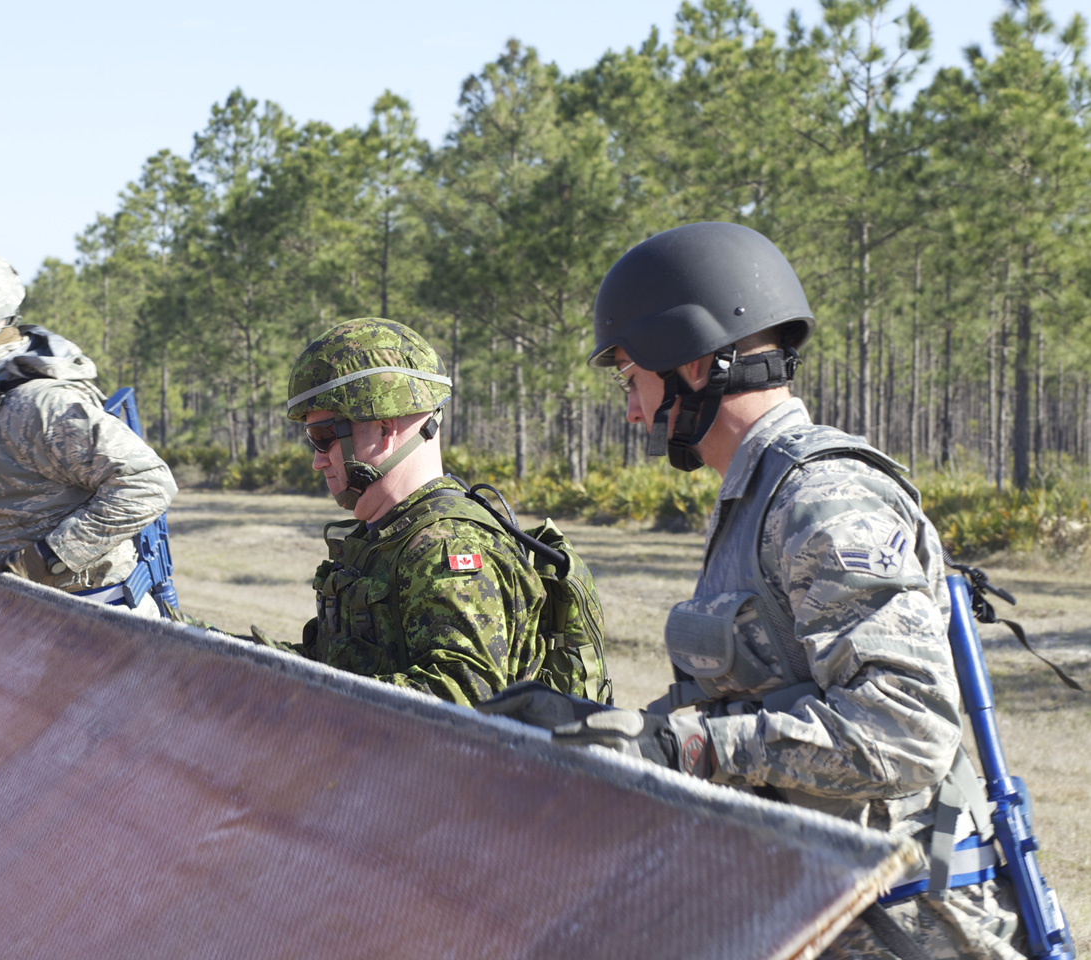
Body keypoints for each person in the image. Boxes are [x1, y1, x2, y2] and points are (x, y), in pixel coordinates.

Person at [482, 222, 1026, 960]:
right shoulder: (759, 493)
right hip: (819, 908)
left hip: (903, 928)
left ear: (697, 364)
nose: (633, 410)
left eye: (631, 378)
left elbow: (907, 731)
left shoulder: (823, 499)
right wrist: (606, 730)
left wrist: (692, 746)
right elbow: (762, 689)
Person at [261, 317, 587, 707]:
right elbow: (332, 665)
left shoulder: (450, 546)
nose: (318, 461)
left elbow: (463, 696)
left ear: (384, 428)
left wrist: (307, 699)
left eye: (323, 438)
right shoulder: (384, 536)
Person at [0, 244, 177, 615]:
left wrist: (49, 558)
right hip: (32, 615)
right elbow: (14, 509)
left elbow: (147, 482)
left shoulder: (37, 403)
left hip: (92, 619)